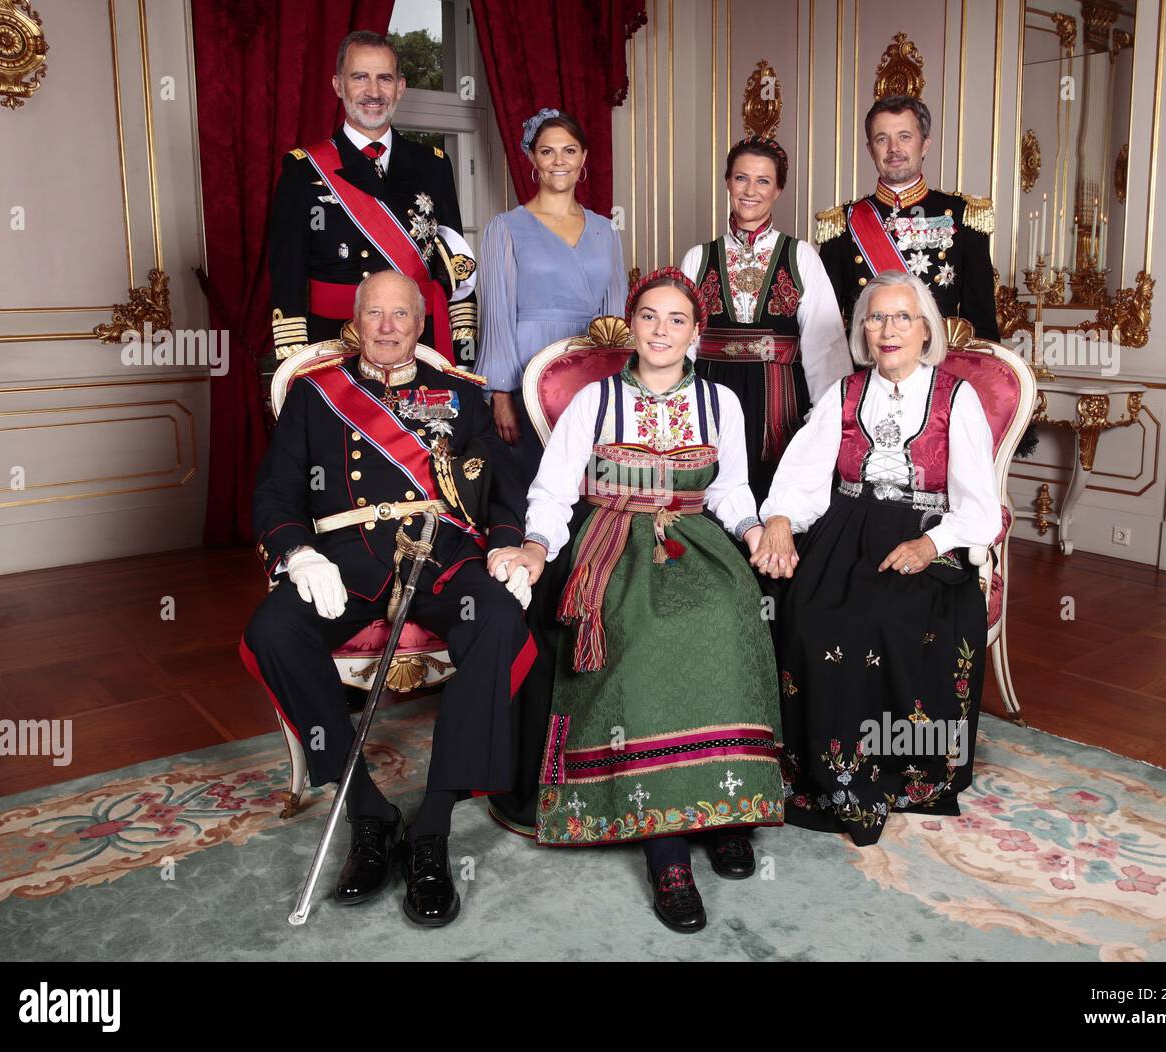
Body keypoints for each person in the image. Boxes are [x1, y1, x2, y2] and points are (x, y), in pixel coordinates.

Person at [488, 269, 784, 933]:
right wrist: (537, 547)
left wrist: (755, 529)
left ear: (697, 333)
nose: (661, 331)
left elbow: (730, 492)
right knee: (647, 634)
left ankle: (725, 809)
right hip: (611, 544)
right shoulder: (594, 402)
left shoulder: (720, 404)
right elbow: (553, 491)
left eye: (677, 319)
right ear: (632, 324)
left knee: (730, 614)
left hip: (695, 540)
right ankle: (667, 849)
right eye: (649, 317)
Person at [241, 271, 535, 927]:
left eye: (400, 314)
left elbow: (503, 490)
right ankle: (365, 809)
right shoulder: (317, 396)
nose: (387, 326)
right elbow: (274, 494)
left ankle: (432, 823)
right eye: (374, 313)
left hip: (441, 557)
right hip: (342, 566)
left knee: (497, 618)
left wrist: (509, 546)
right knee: (273, 630)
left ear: (420, 323)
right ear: (356, 318)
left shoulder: (459, 397)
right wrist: (297, 551)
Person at [752, 270, 1001, 846]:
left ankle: (892, 768)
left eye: (902, 318)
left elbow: (981, 508)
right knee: (806, 612)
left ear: (924, 331)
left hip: (923, 533)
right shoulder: (843, 393)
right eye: (876, 317)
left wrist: (931, 544)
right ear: (863, 329)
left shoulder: (955, 398)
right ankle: (813, 766)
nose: (888, 329)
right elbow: (804, 479)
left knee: (880, 622)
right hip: (845, 527)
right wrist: (783, 520)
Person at [268, 30, 477, 369]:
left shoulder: (434, 165)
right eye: (360, 77)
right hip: (336, 344)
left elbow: (455, 267)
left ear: (400, 87)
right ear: (338, 85)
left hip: (419, 343)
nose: (374, 92)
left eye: (385, 78)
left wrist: (463, 352)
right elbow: (287, 281)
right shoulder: (302, 170)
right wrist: (296, 364)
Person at [681, 136, 852, 504]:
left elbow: (826, 349)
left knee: (773, 498)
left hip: (780, 399)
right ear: (727, 182)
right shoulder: (697, 257)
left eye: (763, 181)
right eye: (741, 178)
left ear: (778, 189)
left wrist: (826, 423)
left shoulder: (802, 256)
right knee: (713, 495)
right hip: (714, 390)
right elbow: (684, 346)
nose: (750, 190)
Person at [475, 108, 627, 487]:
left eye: (569, 151)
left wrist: (622, 387)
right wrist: (501, 393)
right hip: (528, 378)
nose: (559, 161)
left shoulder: (606, 230)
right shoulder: (505, 228)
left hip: (593, 378)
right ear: (532, 158)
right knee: (535, 483)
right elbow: (496, 316)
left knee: (593, 484)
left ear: (584, 157)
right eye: (547, 151)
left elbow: (616, 318)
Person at [815, 96, 999, 341]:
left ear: (924, 144)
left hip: (939, 369)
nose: (893, 149)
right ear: (870, 149)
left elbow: (981, 326)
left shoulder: (963, 215)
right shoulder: (842, 223)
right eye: (882, 139)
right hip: (864, 369)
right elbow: (824, 329)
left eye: (904, 136)